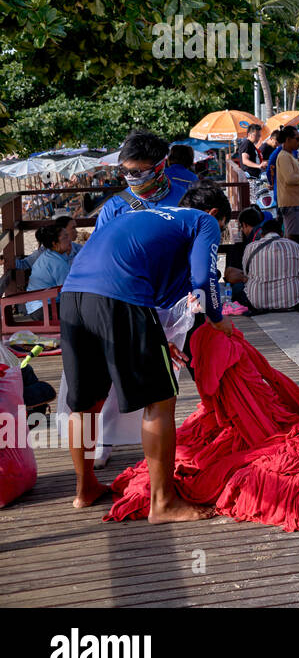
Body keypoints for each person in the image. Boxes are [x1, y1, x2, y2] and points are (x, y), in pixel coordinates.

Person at [58, 181, 233, 520]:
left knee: (86, 401)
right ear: (215, 214)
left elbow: (135, 278)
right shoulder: (203, 221)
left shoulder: (147, 217)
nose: (218, 233)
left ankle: (84, 489)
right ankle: (163, 503)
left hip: (73, 296)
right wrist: (217, 319)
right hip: (119, 298)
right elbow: (204, 278)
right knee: (160, 399)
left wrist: (154, 339)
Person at [96, 130, 189, 229]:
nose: (129, 177)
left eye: (136, 172)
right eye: (123, 170)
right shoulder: (114, 208)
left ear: (159, 168)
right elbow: (98, 243)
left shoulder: (186, 201)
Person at [241, 216, 299, 313]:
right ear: (282, 233)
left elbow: (246, 274)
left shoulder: (250, 247)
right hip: (292, 301)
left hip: (257, 302)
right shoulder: (295, 246)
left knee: (238, 288)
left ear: (262, 234)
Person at [25, 216, 80, 313]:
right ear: (55, 244)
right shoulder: (56, 262)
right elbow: (69, 290)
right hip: (43, 308)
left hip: (37, 305)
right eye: (65, 237)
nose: (69, 240)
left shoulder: (51, 255)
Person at [221, 206, 267, 309]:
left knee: (237, 288)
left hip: (258, 286)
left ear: (245, 225)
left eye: (241, 227)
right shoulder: (265, 233)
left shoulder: (252, 241)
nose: (241, 230)